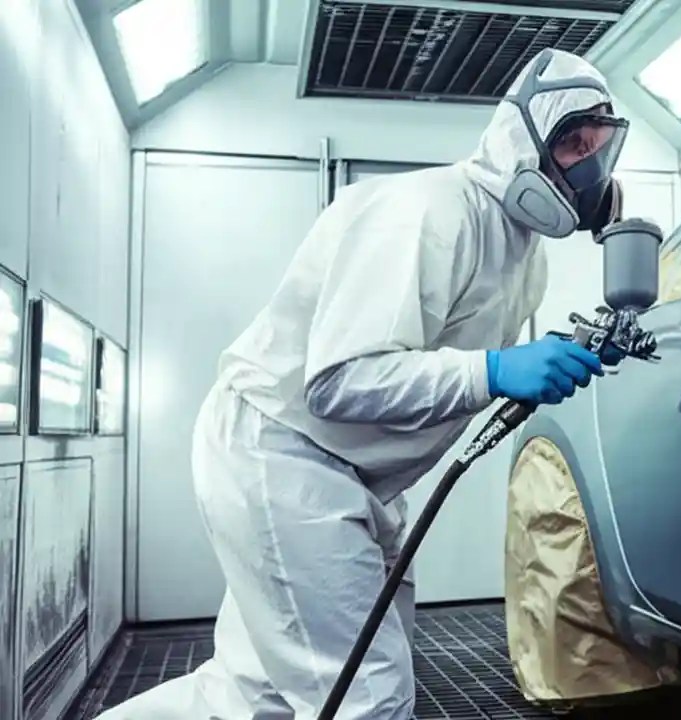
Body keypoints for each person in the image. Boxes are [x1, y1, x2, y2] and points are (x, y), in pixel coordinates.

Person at [97, 48, 630, 720]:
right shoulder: (429, 211)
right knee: (366, 693)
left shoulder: (525, 256)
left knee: (251, 693)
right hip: (283, 455)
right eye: (573, 143)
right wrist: (492, 371)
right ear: (523, 141)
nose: (589, 167)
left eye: (599, 148)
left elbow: (439, 364)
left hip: (359, 479)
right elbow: (338, 380)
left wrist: (533, 362)